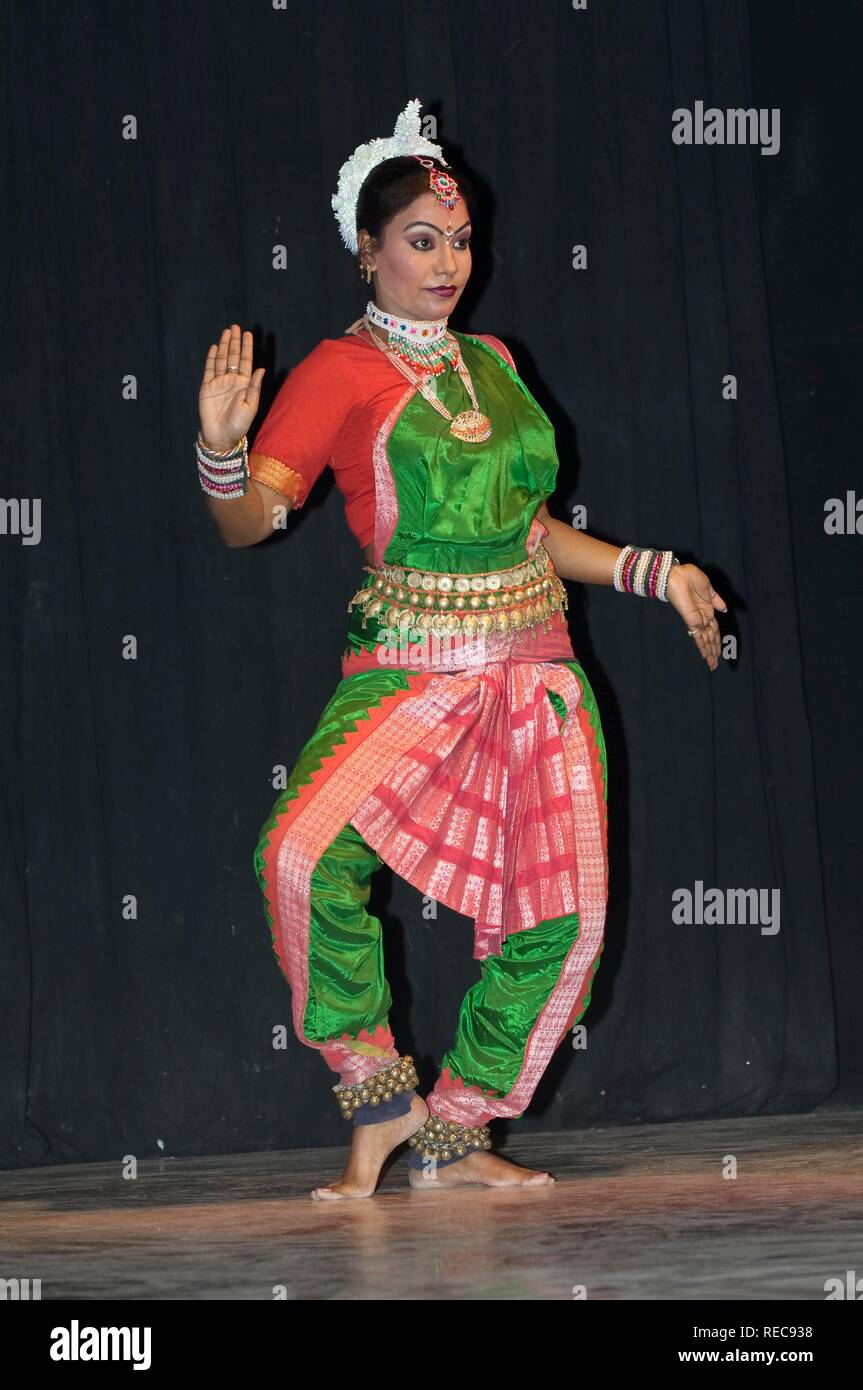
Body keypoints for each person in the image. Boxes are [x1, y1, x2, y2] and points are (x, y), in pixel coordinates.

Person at [196, 100, 727, 1201]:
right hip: (410, 671)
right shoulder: (341, 371)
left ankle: (453, 1132)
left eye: (462, 238)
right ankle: (377, 1100)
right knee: (297, 858)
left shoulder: (492, 358)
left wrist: (653, 569)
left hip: (535, 669)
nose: (448, 260)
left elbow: (531, 526)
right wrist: (216, 449)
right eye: (422, 239)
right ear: (368, 250)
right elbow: (252, 520)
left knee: (565, 920)